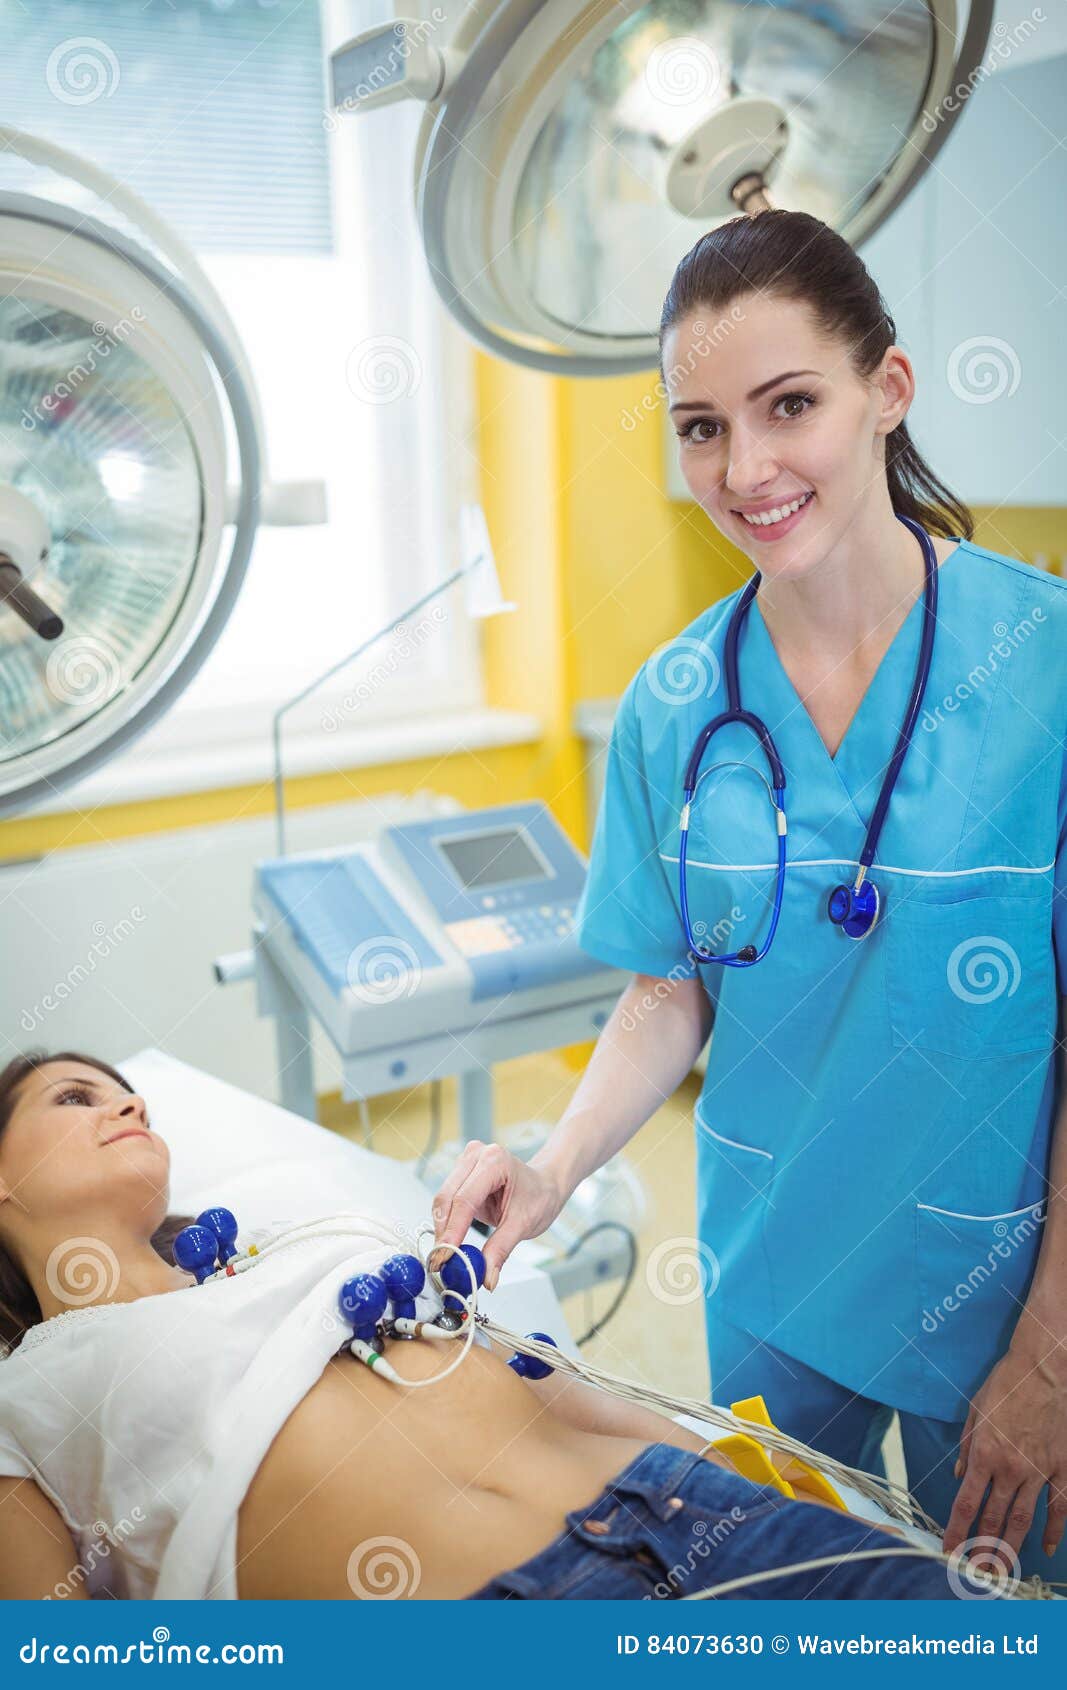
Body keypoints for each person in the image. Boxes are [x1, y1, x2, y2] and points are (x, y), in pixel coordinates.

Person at [431, 208, 1067, 1583]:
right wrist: (549, 1167)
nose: (744, 466)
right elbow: (667, 987)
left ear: (884, 391)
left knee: (1011, 1619)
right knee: (799, 1596)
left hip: (1009, 1292)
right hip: (775, 1276)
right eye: (700, 425)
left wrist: (1049, 1350)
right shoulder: (675, 702)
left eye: (789, 405)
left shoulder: (1044, 661)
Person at [0, 1050, 996, 1602]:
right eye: (77, 1095)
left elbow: (561, 1394)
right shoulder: (26, 1398)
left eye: (127, 1090)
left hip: (691, 1513)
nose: (129, 1100)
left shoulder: (297, 1246)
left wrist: (752, 1478)